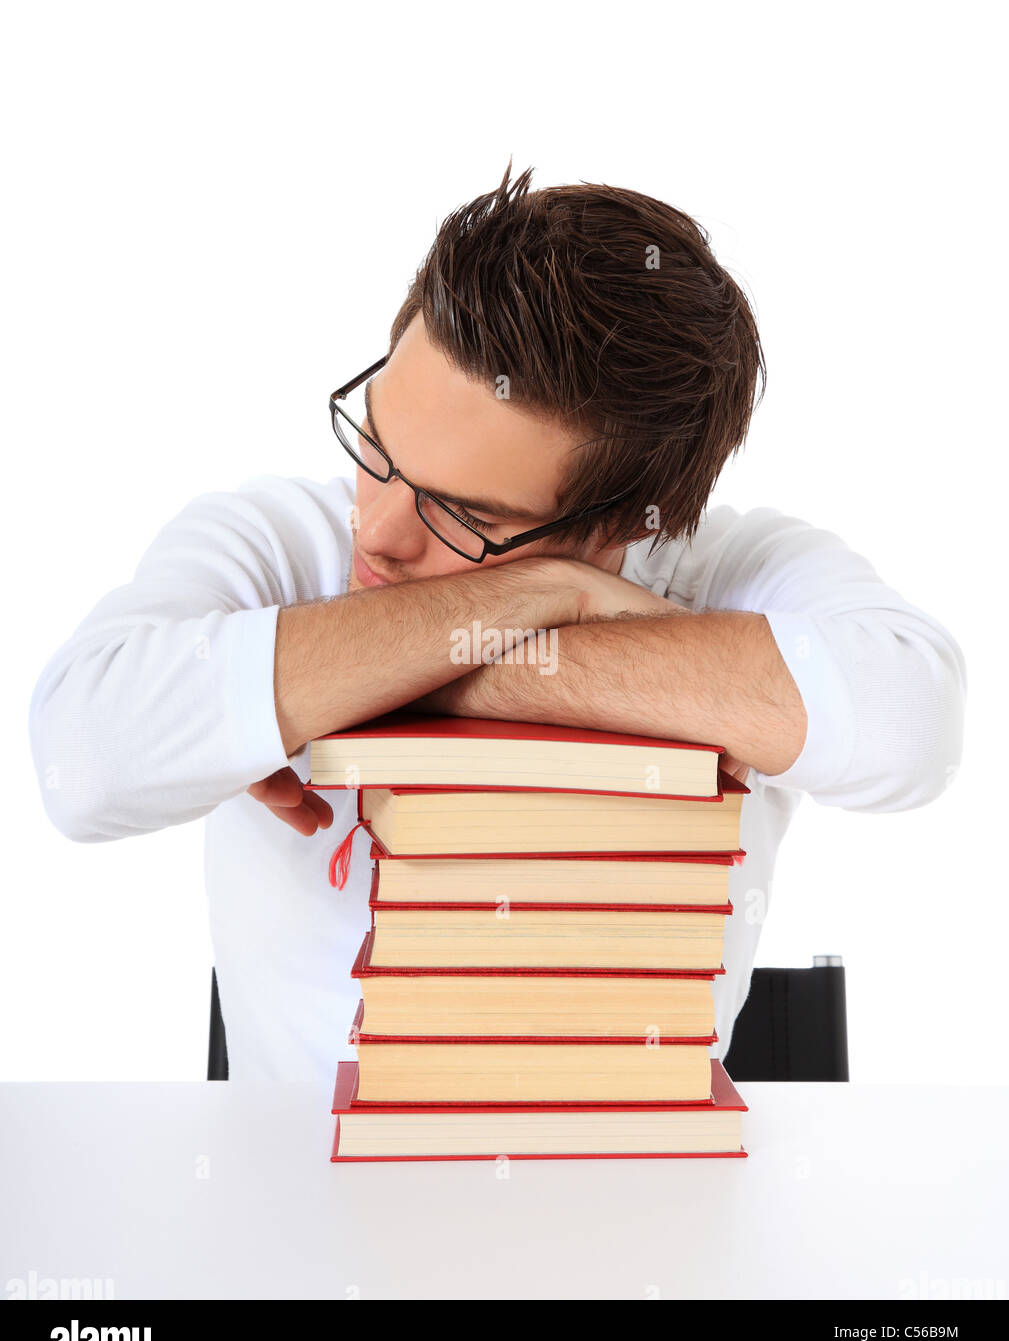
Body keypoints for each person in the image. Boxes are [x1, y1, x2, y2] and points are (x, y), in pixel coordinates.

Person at [29, 165, 966, 1087]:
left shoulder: (730, 571)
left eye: (467, 516)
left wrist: (345, 679)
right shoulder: (274, 539)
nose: (381, 534)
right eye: (376, 449)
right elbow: (81, 761)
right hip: (295, 1198)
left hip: (643, 1204)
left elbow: (907, 726)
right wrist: (536, 594)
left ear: (621, 527)